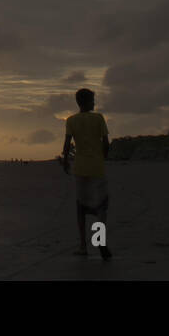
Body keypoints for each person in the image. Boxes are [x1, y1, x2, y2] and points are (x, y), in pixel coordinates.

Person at [62, 88, 112, 259]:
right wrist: (103, 157)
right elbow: (106, 143)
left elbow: (67, 146)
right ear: (88, 102)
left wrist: (65, 163)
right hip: (97, 167)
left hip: (80, 168)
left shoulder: (71, 120)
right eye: (93, 100)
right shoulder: (98, 118)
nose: (95, 103)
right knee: (101, 206)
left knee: (81, 207)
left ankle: (83, 245)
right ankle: (100, 240)